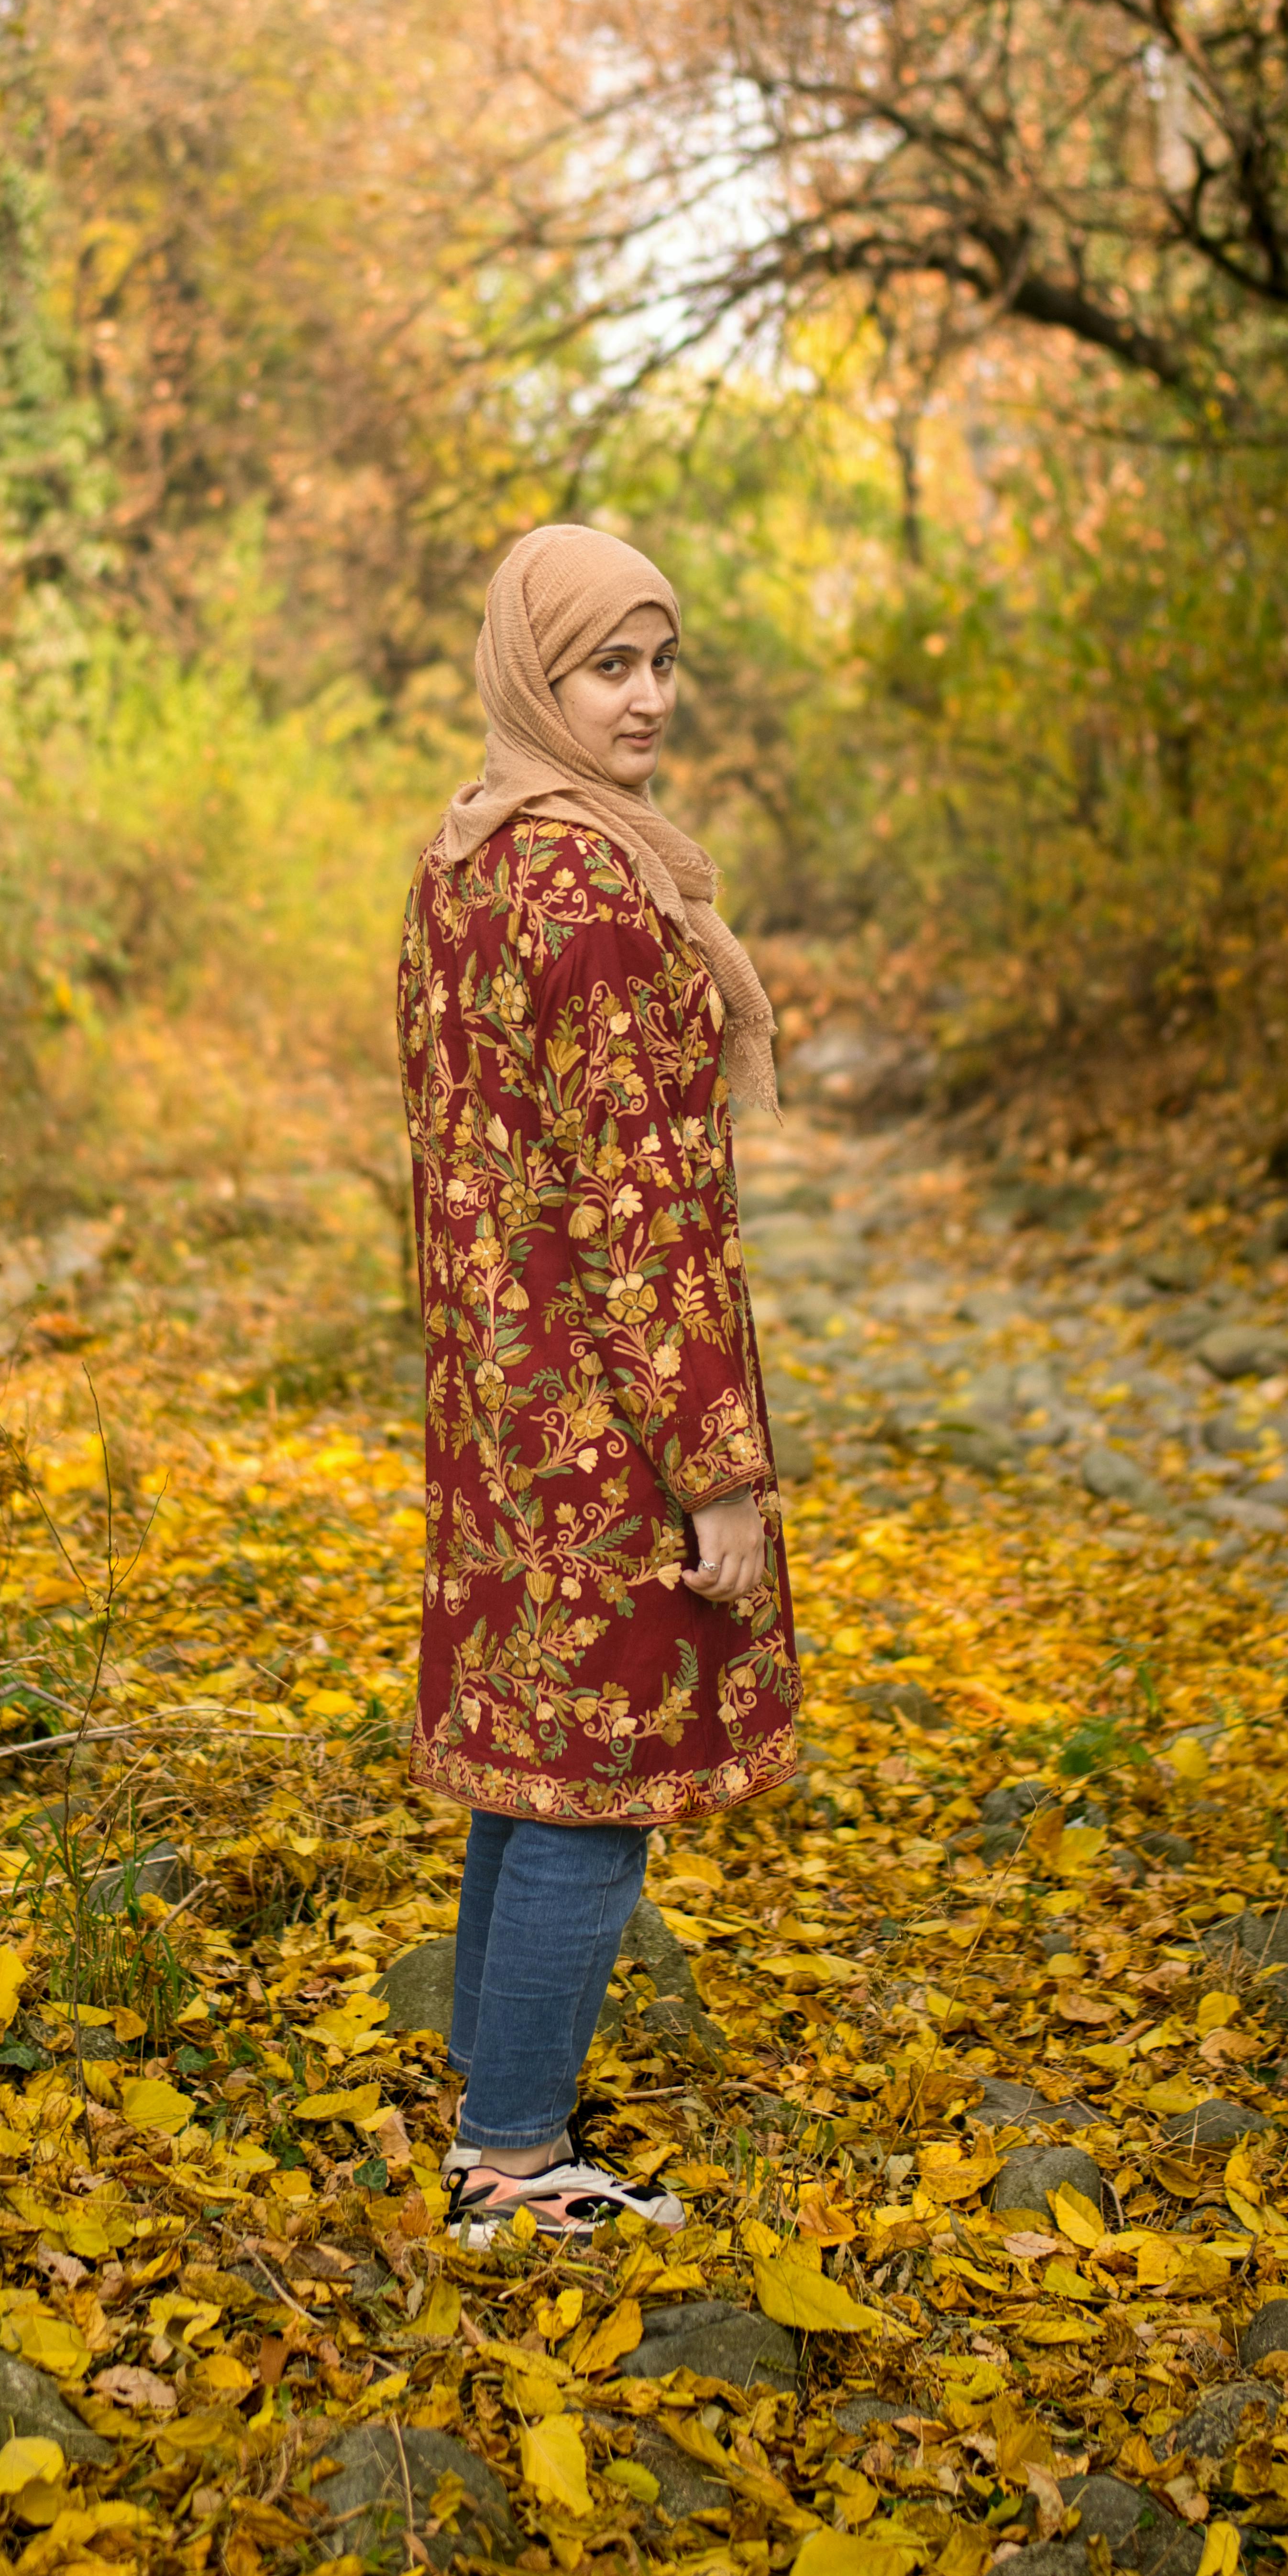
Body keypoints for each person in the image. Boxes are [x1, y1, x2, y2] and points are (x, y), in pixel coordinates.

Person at [396, 521, 801, 2244]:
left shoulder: (467, 854)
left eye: (661, 660)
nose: (647, 699)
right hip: (604, 1419)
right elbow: (647, 1219)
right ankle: (513, 2163)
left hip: (503, 1393)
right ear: (533, 678)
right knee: (602, 1788)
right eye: (607, 668)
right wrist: (717, 1468)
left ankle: (496, 2125)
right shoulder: (600, 902)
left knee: (530, 1763)